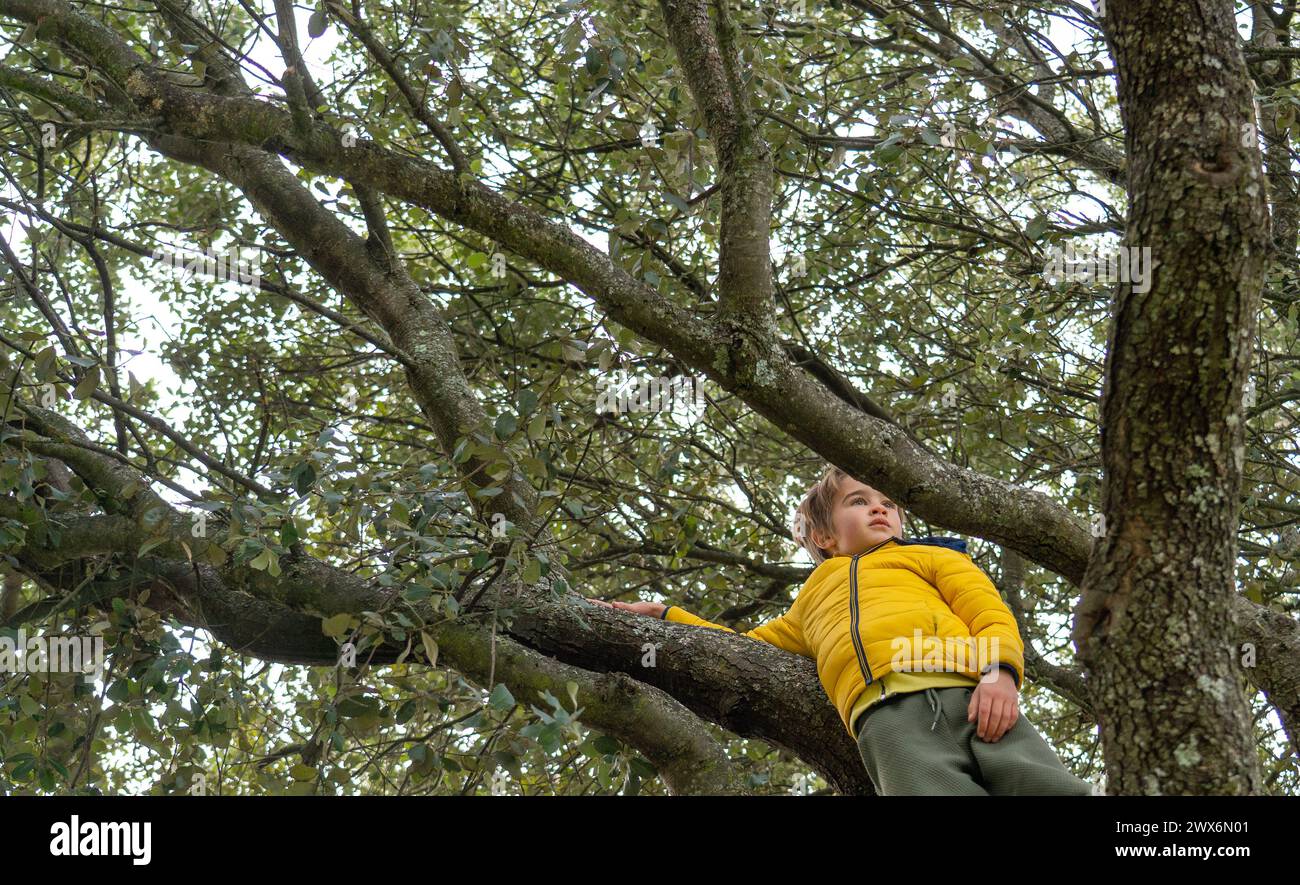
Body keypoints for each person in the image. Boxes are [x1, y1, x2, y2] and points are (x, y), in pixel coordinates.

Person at [592, 465, 1096, 796]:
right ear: (824, 536)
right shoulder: (811, 599)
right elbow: (741, 650)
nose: (879, 508)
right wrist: (664, 617)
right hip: (887, 719)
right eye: (858, 501)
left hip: (971, 694)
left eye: (888, 503)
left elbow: (987, 612)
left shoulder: (932, 558)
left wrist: (1000, 675)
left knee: (1047, 787)